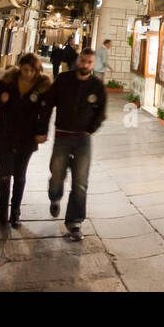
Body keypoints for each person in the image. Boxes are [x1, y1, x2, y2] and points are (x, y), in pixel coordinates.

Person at [45, 47, 107, 241]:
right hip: (62, 135)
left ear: (93, 64)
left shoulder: (97, 85)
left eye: (89, 62)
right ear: (78, 60)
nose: (85, 65)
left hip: (83, 139)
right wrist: (42, 129)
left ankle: (75, 222)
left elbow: (101, 111)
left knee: (80, 182)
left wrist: (91, 129)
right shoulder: (63, 80)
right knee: (57, 174)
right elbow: (48, 103)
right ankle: (55, 197)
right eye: (83, 61)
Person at [0, 53, 51, 229]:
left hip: (26, 136)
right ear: (20, 68)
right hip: (3, 133)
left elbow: (45, 113)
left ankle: (15, 214)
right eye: (25, 70)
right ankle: (2, 215)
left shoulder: (43, 86)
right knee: (4, 175)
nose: (28, 74)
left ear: (37, 70)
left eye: (32, 71)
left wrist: (42, 132)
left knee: (20, 176)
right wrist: (1, 99)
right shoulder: (8, 80)